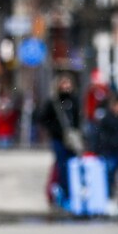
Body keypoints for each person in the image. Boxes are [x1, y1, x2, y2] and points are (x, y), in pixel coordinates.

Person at [39, 75, 83, 204]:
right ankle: (64, 193)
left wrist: (76, 133)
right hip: (58, 139)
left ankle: (71, 192)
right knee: (62, 166)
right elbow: (43, 119)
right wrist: (55, 130)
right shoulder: (53, 102)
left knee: (72, 166)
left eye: (68, 84)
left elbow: (78, 119)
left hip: (72, 140)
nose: (66, 87)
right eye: (63, 84)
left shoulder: (74, 101)